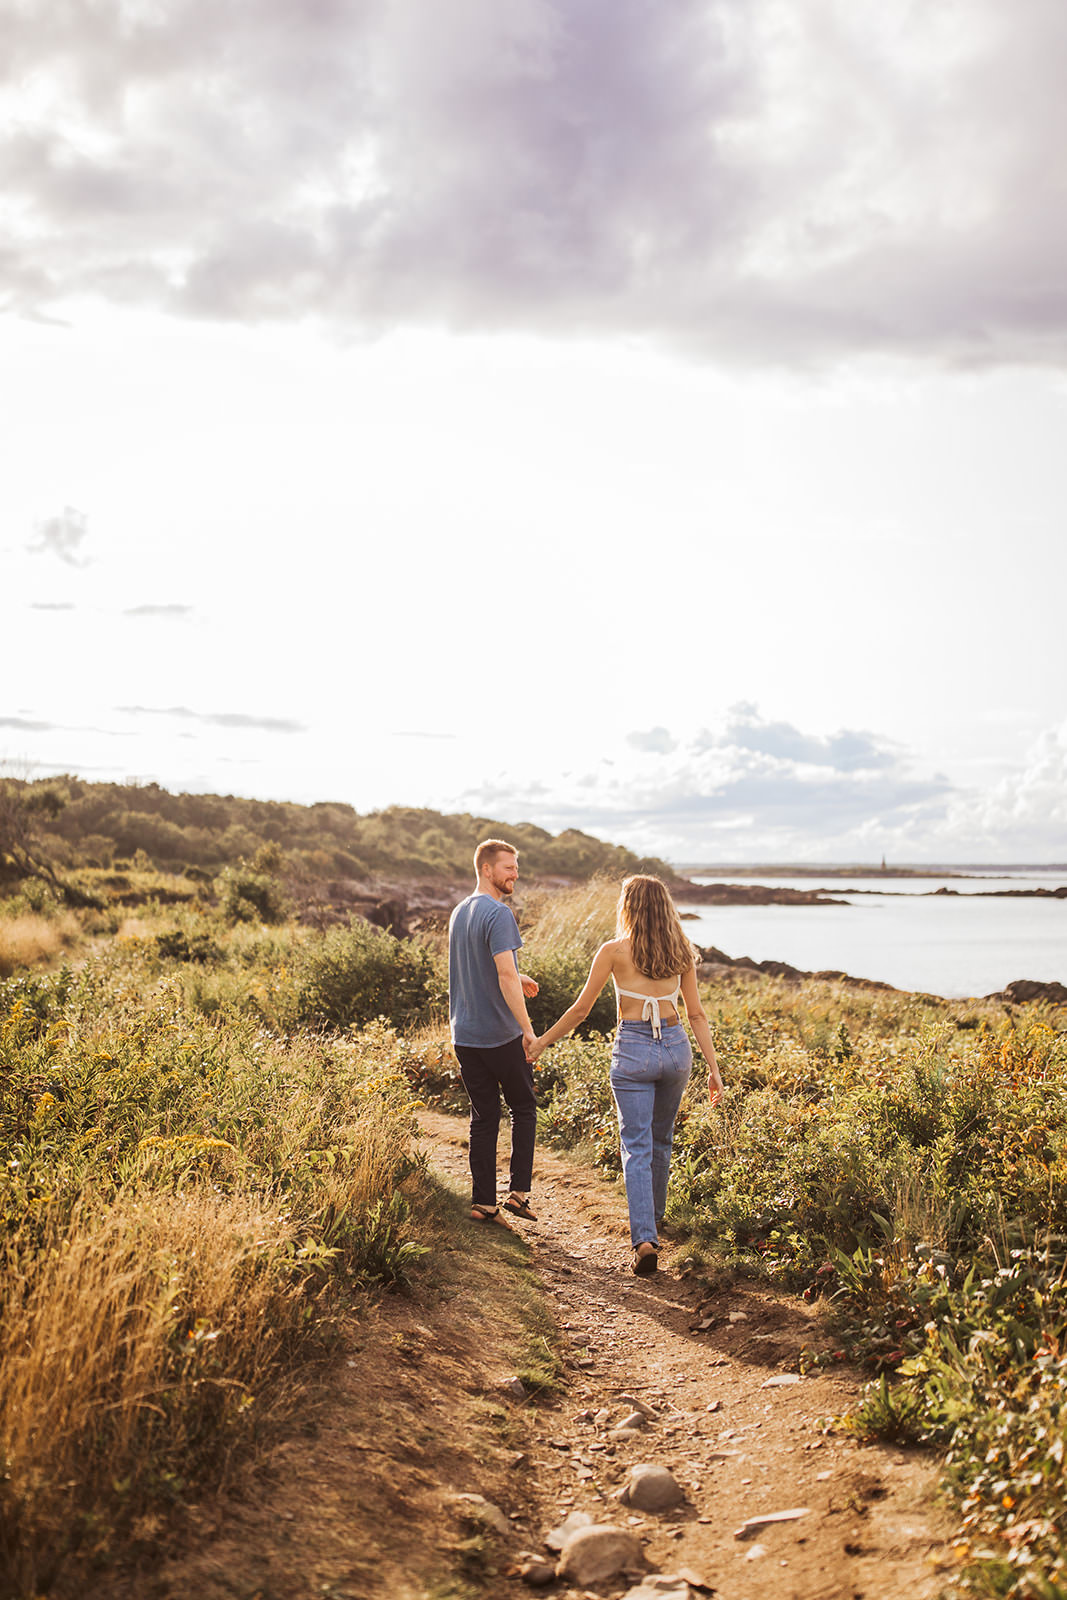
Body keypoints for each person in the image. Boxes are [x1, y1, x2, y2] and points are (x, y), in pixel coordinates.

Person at [529, 875, 724, 1274]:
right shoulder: (683, 951)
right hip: (676, 1050)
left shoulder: (614, 951)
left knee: (636, 1145)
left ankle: (645, 1238)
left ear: (628, 906)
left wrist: (542, 1041)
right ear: (665, 907)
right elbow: (697, 1014)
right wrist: (714, 1070)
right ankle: (653, 1222)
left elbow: (581, 1010)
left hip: (634, 1049)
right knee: (661, 1140)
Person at [448, 838, 541, 1227]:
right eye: (508, 867)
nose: (515, 873)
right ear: (487, 869)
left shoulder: (460, 911)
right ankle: (518, 1194)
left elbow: (479, 966)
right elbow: (502, 974)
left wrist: (516, 976)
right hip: (500, 1034)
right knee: (524, 1107)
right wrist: (528, 1029)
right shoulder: (499, 913)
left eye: (516, 866)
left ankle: (484, 1203)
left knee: (484, 1117)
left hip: (465, 1035)